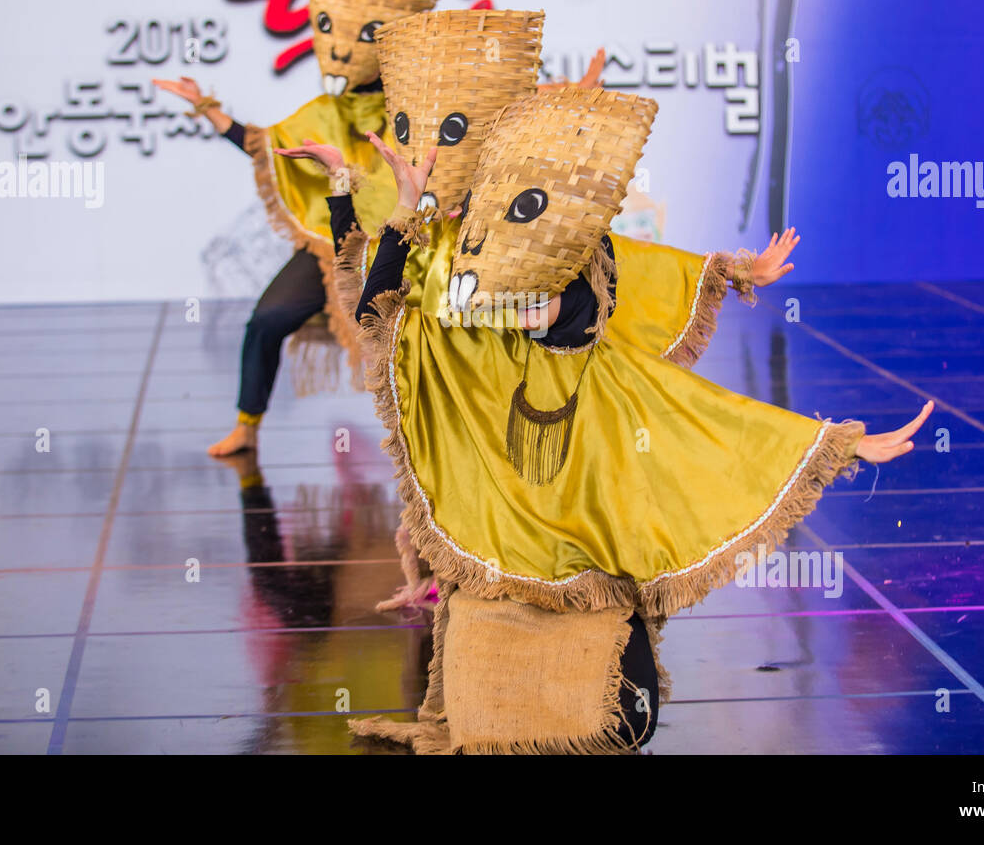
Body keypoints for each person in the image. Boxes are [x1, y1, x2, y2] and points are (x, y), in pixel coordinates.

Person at [344, 85, 931, 753]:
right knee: (491, 725)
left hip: (587, 577)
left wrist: (838, 443)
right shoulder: (461, 338)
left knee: (625, 721)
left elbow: (722, 430)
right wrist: (404, 209)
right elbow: (382, 312)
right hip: (499, 568)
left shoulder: (611, 372)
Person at [153, 0, 453, 457]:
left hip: (410, 245)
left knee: (436, 336)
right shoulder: (325, 111)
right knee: (267, 319)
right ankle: (247, 425)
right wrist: (206, 106)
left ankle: (443, 449)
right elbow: (264, 144)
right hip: (337, 244)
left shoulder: (422, 104)